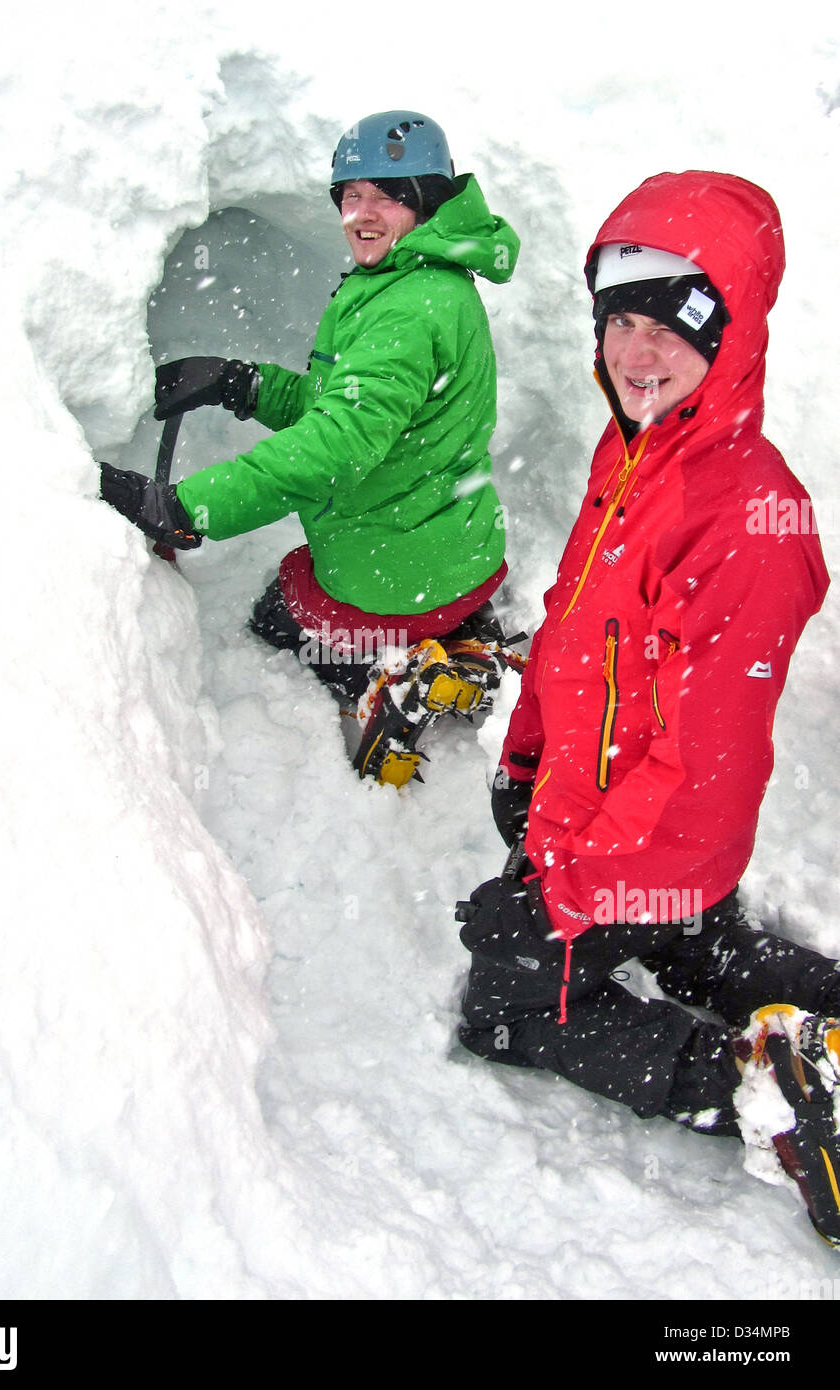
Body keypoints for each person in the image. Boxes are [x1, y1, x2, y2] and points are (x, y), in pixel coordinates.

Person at [455, 170, 840, 1248]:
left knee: (510, 1005)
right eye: (619, 321)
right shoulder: (633, 450)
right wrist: (522, 763)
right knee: (692, 946)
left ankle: (765, 1088)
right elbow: (578, 627)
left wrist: (562, 895)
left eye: (667, 328)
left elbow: (700, 765)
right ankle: (745, 969)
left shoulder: (750, 520)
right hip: (606, 819)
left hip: (650, 836)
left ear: (728, 335)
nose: (633, 352)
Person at [99, 111, 523, 786]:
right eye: (351, 195)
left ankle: (385, 680)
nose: (363, 213)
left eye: (387, 196)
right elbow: (347, 409)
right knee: (386, 573)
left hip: (392, 575)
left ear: (426, 202)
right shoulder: (429, 284)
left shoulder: (403, 310)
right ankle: (464, 637)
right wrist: (241, 384)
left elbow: (331, 448)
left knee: (283, 604)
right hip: (464, 550)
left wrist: (183, 506)